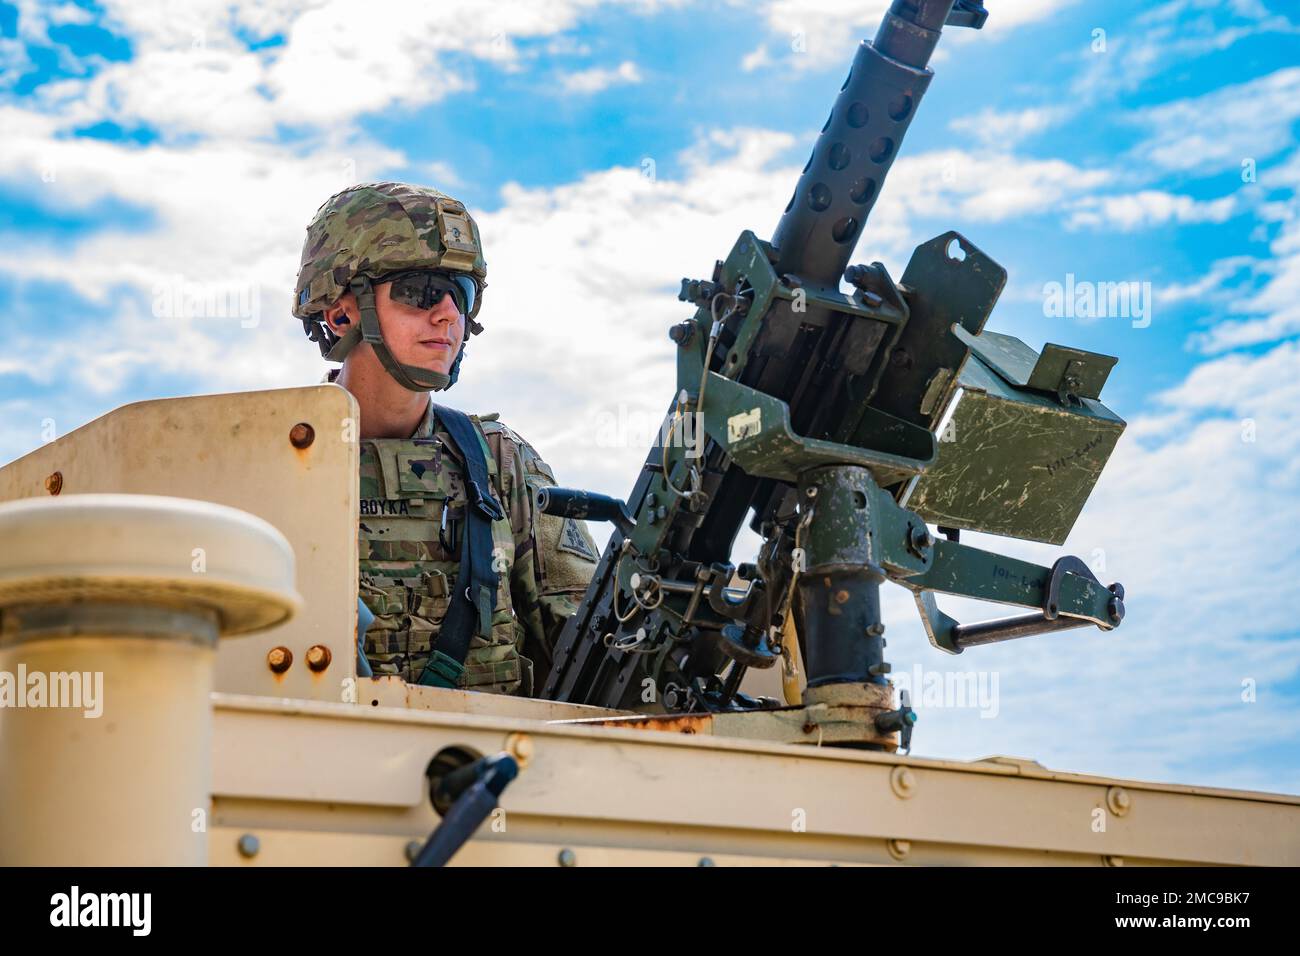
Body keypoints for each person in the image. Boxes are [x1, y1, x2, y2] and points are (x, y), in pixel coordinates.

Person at [292, 181, 599, 696]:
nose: (449, 315)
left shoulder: (501, 463)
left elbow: (590, 646)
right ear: (341, 312)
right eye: (420, 292)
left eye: (462, 295)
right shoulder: (266, 456)